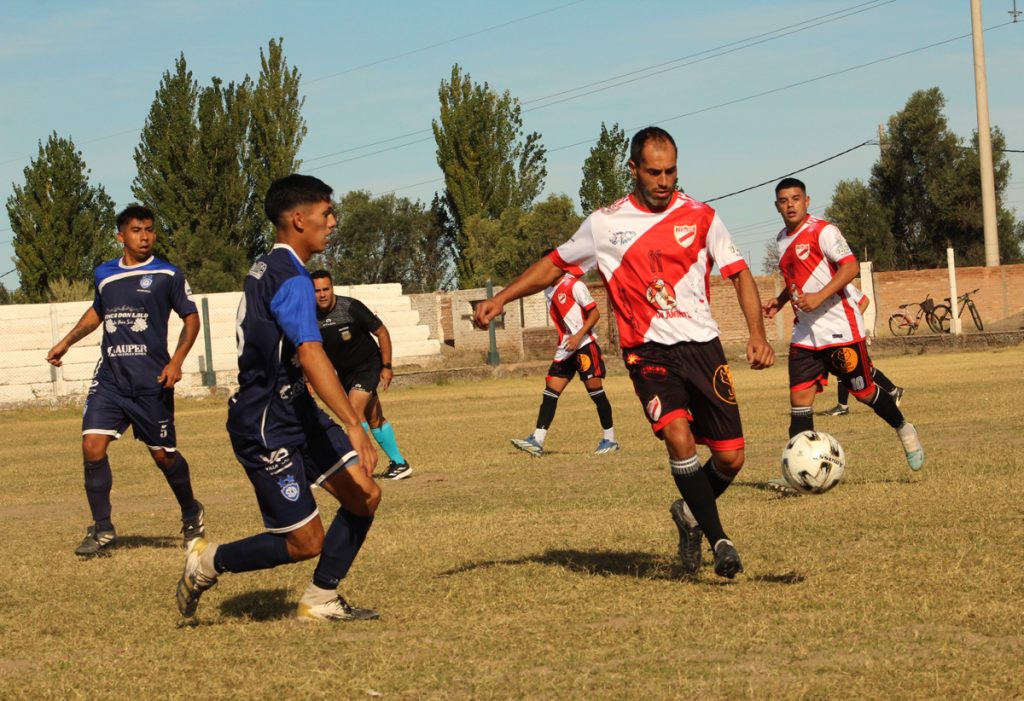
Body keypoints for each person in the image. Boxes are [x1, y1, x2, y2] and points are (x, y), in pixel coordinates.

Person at [475, 127, 774, 579]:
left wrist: (758, 333)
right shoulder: (604, 224)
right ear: (633, 168)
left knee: (731, 458)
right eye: (654, 172)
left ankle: (690, 513)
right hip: (648, 352)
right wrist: (503, 298)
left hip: (702, 349)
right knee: (679, 438)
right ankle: (721, 541)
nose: (664, 180)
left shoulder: (702, 217)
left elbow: (740, 273)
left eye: (671, 171)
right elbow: (552, 265)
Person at [176, 174, 381, 622]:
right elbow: (309, 352)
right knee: (305, 542)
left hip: (296, 410)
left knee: (364, 496)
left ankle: (321, 599)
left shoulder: (268, 266)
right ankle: (207, 561)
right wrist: (353, 422)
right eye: (326, 213)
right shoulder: (292, 279)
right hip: (266, 422)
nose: (333, 221)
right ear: (298, 219)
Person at [46, 205, 205, 557]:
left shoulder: (168, 274)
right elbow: (98, 311)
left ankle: (191, 511)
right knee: (92, 446)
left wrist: (177, 361)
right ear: (121, 236)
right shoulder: (104, 273)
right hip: (111, 379)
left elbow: (191, 319)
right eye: (136, 230)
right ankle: (102, 529)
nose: (145, 236)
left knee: (164, 456)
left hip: (152, 380)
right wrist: (66, 342)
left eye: (149, 229)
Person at [763, 177, 923, 470]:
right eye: (784, 200)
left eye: (795, 198)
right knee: (799, 402)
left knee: (864, 393)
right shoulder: (781, 239)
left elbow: (849, 267)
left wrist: (820, 296)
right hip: (806, 334)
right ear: (777, 206)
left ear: (806, 201)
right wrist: (781, 301)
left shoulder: (824, 231)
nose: (790, 205)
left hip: (840, 330)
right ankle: (800, 473)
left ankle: (904, 428)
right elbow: (799, 281)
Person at [510, 265, 620, 457]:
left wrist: (578, 336)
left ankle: (610, 439)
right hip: (565, 348)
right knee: (550, 393)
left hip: (584, 344)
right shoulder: (547, 289)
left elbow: (595, 314)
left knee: (596, 393)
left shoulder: (574, 286)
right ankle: (537, 440)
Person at [311, 270, 411, 480]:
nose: (322, 294)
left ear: (332, 288)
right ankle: (400, 464)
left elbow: (382, 332)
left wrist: (387, 366)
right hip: (345, 374)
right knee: (374, 418)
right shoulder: (311, 316)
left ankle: (356, 470)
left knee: (353, 414)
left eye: (325, 289)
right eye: (317, 290)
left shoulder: (350, 307)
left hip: (369, 366)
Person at [821, 286, 904, 416]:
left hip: (852, 336)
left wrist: (853, 321)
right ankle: (843, 406)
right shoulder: (822, 287)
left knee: (861, 368)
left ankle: (893, 390)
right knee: (844, 368)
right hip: (837, 336)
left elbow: (865, 301)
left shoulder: (844, 285)